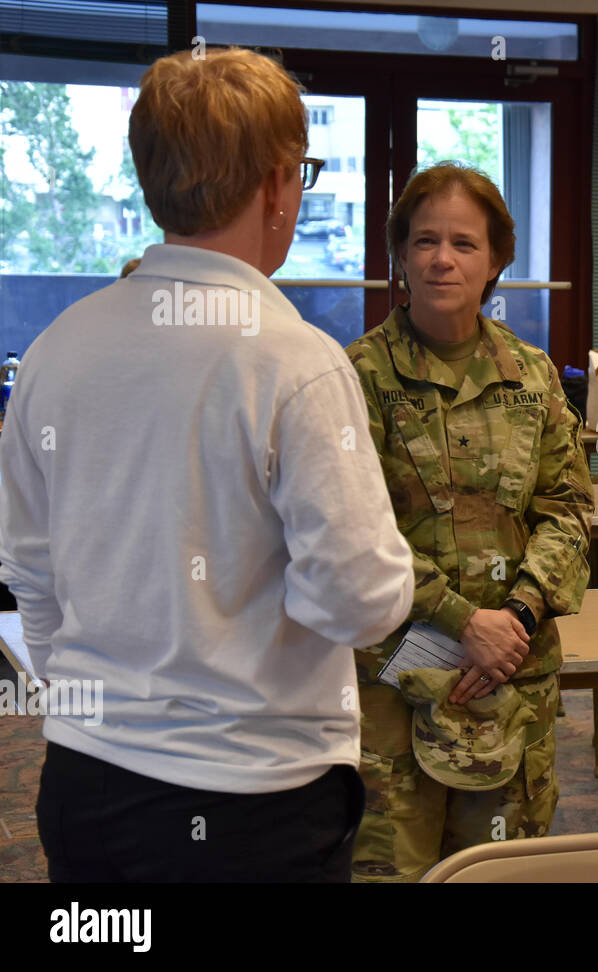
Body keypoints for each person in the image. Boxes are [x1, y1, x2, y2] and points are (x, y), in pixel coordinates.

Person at [0, 48, 414, 882]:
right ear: (276, 184)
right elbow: (360, 600)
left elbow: (29, 575)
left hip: (86, 784)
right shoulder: (296, 364)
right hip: (253, 803)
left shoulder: (53, 351)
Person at [347, 162, 593, 882]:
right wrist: (462, 622)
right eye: (424, 241)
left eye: (463, 242)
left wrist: (512, 617)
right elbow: (356, 533)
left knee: (499, 870)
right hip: (399, 674)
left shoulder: (533, 375)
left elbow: (568, 509)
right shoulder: (356, 376)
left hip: (511, 677)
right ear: (399, 255)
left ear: (496, 261)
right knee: (391, 871)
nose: (442, 259)